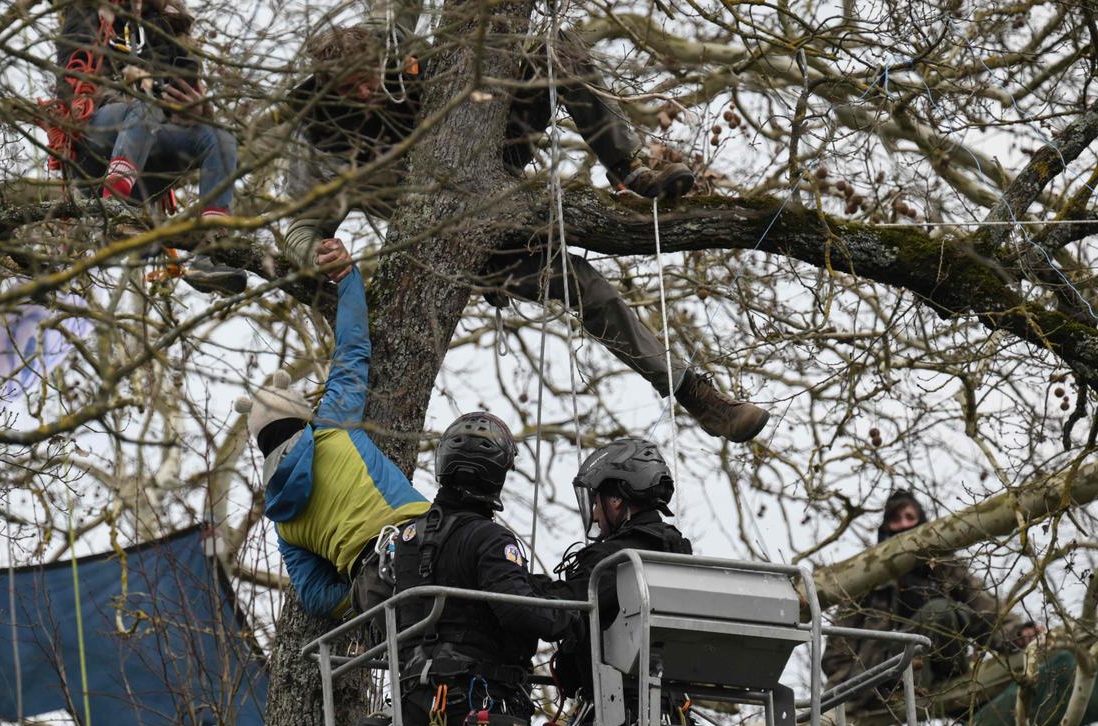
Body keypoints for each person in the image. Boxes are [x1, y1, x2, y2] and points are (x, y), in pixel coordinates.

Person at [276, 21, 770, 443]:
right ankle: (699, 398)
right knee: (589, 290)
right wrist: (314, 253)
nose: (364, 93)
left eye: (368, 80)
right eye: (349, 89)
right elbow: (300, 223)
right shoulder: (321, 133)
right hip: (462, 245)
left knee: (558, 47)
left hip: (495, 155)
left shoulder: (415, 67)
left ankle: (628, 167)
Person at [391, 411, 573, 726]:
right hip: (482, 714)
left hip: (418, 713)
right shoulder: (490, 539)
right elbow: (521, 613)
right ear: (498, 473)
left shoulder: (405, 541)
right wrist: (567, 612)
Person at [233, 238, 429, 619]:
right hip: (424, 541)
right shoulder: (331, 425)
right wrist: (347, 277)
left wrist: (358, 591)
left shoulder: (283, 524)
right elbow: (353, 349)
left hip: (379, 585)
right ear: (300, 413)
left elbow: (315, 596)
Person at [534, 437, 690, 726]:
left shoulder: (614, 564)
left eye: (600, 502)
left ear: (618, 499)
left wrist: (516, 584)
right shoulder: (679, 554)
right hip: (672, 724)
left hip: (612, 722)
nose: (596, 514)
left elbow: (559, 612)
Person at [49, 0, 246, 295]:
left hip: (146, 152)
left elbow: (174, 93)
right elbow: (72, 75)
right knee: (146, 106)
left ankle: (212, 253)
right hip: (95, 140)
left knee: (220, 137)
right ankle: (114, 214)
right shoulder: (89, 11)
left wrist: (195, 110)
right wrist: (132, 80)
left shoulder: (161, 28)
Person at [821, 489, 1037, 708]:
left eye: (910, 517)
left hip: (947, 671)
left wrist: (1017, 634)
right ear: (886, 528)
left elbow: (987, 611)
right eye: (895, 519)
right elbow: (836, 650)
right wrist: (848, 692)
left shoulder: (948, 570)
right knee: (938, 610)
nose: (904, 525)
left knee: (941, 611)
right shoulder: (870, 580)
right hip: (884, 677)